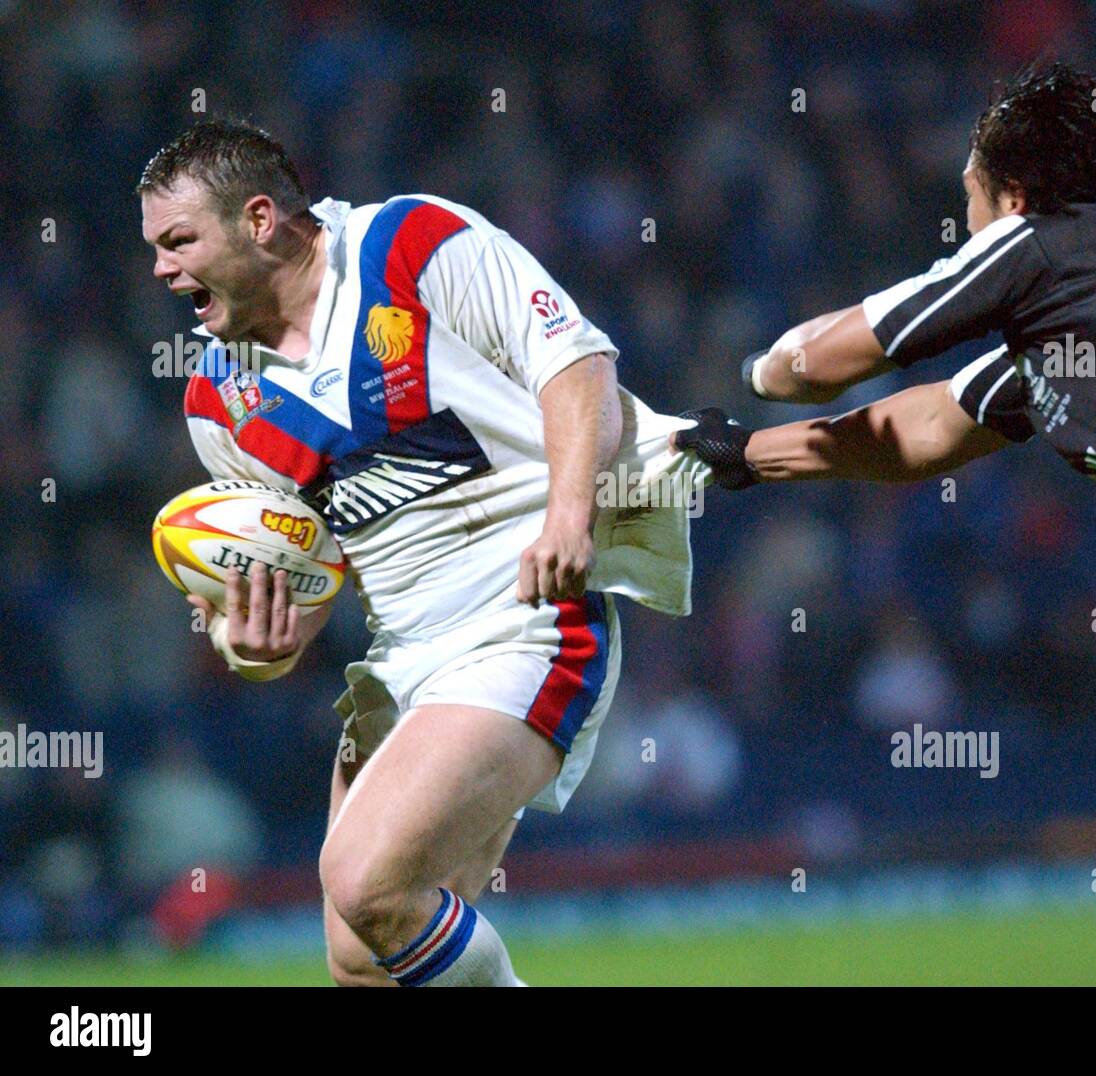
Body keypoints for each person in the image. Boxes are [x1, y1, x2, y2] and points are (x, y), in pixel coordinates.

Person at [676, 62, 1096, 922]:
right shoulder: (1090, 308)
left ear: (1009, 196)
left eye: (966, 193)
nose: (962, 222)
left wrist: (754, 365)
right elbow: (928, 429)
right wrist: (744, 456)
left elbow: (817, 364)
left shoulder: (1042, 245)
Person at [139, 120, 705, 985]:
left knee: (363, 878)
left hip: (526, 619)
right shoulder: (219, 400)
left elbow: (577, 367)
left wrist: (568, 512)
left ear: (258, 219)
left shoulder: (411, 243)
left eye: (179, 241)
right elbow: (311, 568)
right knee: (361, 959)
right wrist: (250, 644)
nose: (161, 268)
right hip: (403, 656)